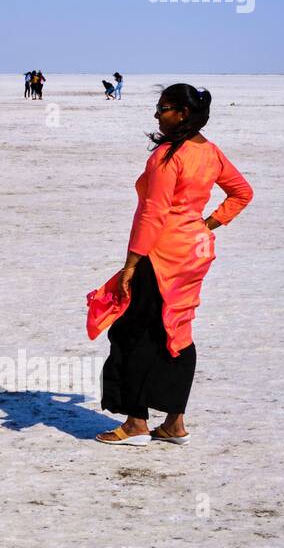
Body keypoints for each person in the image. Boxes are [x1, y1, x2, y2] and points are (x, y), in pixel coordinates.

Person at [94, 84, 252, 446]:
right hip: (194, 253)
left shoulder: (168, 156)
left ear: (182, 113)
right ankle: (174, 423)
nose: (156, 115)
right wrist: (204, 225)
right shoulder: (210, 152)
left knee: (134, 332)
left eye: (163, 108)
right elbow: (242, 192)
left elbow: (153, 212)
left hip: (161, 254)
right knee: (176, 330)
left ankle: (135, 423)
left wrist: (132, 263)